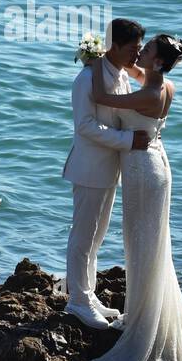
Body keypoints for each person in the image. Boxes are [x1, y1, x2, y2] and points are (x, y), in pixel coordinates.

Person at [87, 35, 182, 361]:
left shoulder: (148, 94)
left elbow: (101, 97)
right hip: (155, 164)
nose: (139, 53)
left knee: (144, 245)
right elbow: (133, 70)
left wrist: (96, 59)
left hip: (144, 172)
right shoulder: (164, 84)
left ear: (159, 62)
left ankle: (144, 325)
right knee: (147, 245)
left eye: (146, 52)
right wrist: (115, 55)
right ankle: (142, 313)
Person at [62, 18, 149, 330]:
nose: (136, 54)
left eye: (140, 48)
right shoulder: (87, 79)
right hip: (89, 168)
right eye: (133, 48)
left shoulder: (119, 74)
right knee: (83, 235)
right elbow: (85, 125)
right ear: (114, 46)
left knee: (96, 236)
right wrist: (128, 141)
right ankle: (77, 302)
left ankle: (88, 294)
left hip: (110, 169)